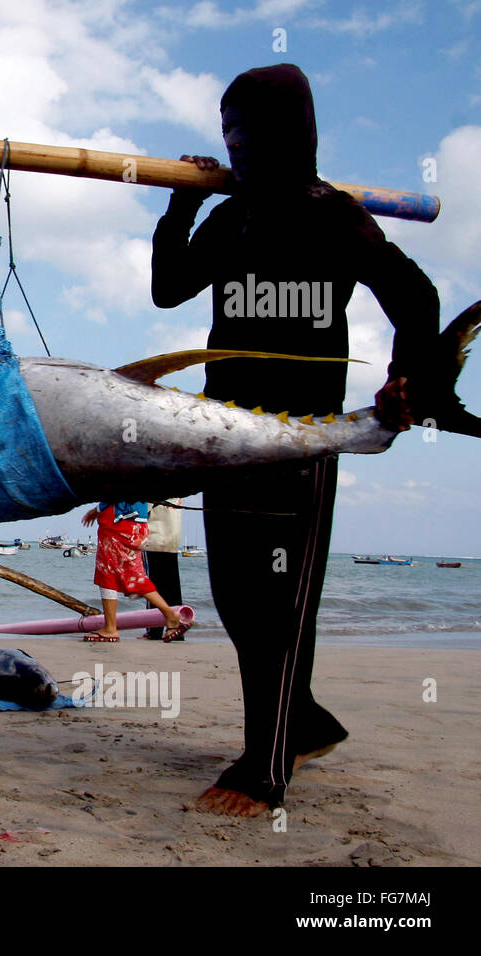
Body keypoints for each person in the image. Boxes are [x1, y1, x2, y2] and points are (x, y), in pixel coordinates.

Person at [151, 64, 439, 816]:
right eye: (229, 136)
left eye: (252, 134)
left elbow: (417, 297)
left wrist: (408, 378)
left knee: (280, 604)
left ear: (294, 135)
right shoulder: (231, 217)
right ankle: (302, 722)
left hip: (300, 441)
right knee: (238, 601)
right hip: (224, 433)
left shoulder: (332, 216)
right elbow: (168, 285)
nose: (239, 149)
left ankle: (266, 768)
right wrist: (182, 205)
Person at [80, 501, 186, 643]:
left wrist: (98, 508)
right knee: (135, 576)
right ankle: (170, 615)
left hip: (119, 521)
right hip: (137, 525)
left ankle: (111, 628)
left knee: (107, 572)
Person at [142, 499, 183, 640]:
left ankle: (153, 631)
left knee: (152, 587)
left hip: (155, 539)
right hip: (172, 539)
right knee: (172, 588)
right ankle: (177, 628)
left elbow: (141, 508)